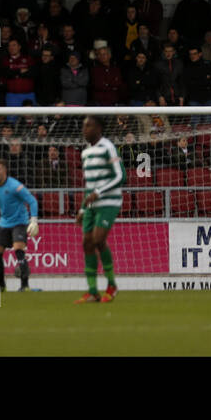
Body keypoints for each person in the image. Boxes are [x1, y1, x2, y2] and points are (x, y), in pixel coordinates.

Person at [76, 115, 125, 304]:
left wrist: (98, 192)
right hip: (91, 204)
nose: (84, 130)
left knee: (98, 239)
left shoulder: (108, 147)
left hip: (109, 201)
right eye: (83, 126)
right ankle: (92, 291)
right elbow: (89, 184)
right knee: (87, 243)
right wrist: (82, 209)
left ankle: (112, 286)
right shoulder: (85, 152)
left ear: (98, 128)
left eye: (88, 126)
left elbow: (120, 176)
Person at [0, 158, 40, 292]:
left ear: (4, 170)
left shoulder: (15, 186)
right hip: (4, 222)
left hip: (20, 222)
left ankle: (25, 285)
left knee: (18, 249)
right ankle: (1, 285)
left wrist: (33, 221)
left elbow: (32, 201)